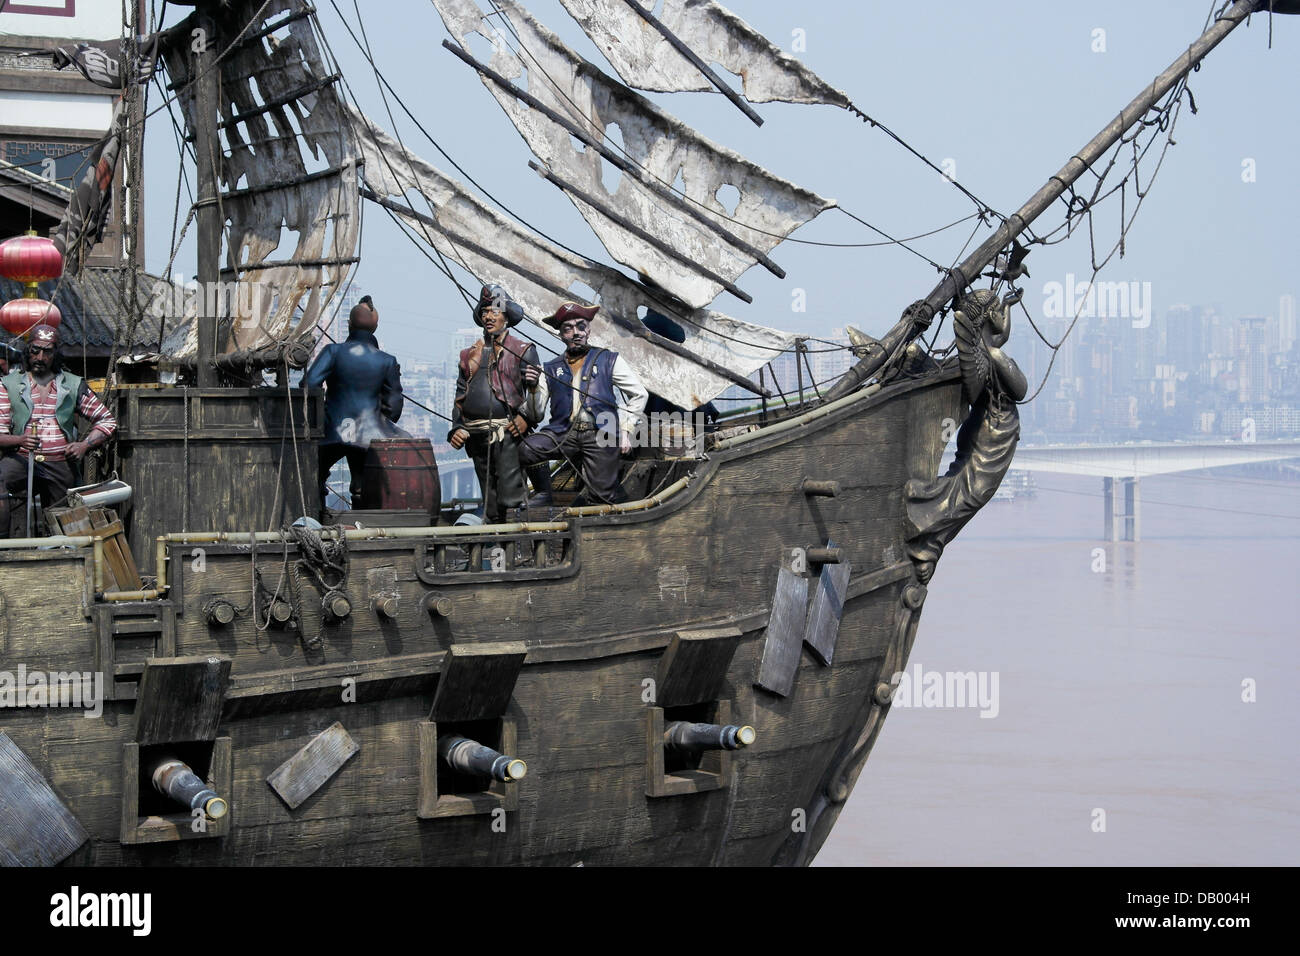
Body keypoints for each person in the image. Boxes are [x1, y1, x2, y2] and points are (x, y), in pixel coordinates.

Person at [521, 302, 648, 506]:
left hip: (600, 434)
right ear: (561, 335)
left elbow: (639, 394)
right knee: (526, 449)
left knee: (601, 497)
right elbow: (536, 414)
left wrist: (625, 428)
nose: (576, 333)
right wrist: (534, 388)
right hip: (563, 434)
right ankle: (544, 493)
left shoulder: (608, 360)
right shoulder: (550, 368)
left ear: (588, 330)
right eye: (568, 329)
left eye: (581, 326)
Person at [0, 324, 117, 536]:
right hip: (21, 458)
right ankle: (5, 547)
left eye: (47, 351)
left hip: (59, 460)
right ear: (28, 351)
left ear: (55, 353)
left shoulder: (72, 385)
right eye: (35, 350)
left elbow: (107, 420)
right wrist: (19, 440)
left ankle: (62, 556)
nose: (40, 357)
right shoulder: (8, 384)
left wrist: (84, 445)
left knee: (65, 521)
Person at [448, 284, 544, 523]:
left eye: (494, 311)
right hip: (476, 436)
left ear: (506, 317)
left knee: (511, 497)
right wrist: (457, 426)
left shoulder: (523, 351)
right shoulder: (469, 355)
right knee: (489, 498)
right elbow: (461, 394)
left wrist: (525, 418)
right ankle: (495, 546)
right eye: (484, 312)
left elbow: (538, 393)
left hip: (507, 434)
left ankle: (518, 550)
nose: (488, 316)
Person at [303, 295, 406, 513]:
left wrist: (322, 415)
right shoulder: (386, 360)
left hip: (331, 430)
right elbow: (395, 404)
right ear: (375, 327)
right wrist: (381, 422)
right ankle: (363, 527)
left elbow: (309, 384)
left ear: (349, 325)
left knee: (314, 477)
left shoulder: (332, 352)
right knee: (363, 485)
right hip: (368, 434)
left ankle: (316, 520)